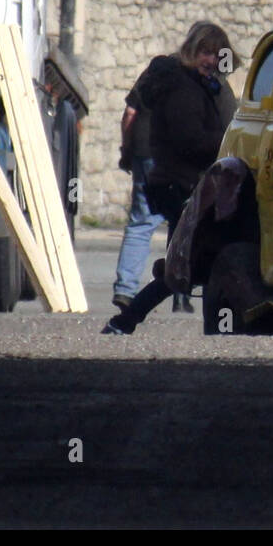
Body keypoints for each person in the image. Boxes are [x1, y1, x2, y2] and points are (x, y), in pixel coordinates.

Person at [102, 22, 238, 334]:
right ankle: (127, 320)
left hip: (177, 183)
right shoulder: (184, 88)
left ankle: (128, 319)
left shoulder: (194, 83)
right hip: (181, 185)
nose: (212, 61)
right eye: (206, 53)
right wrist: (230, 141)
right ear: (192, 51)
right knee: (191, 260)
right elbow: (189, 140)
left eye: (218, 55)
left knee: (189, 260)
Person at [110, 71, 165, 311]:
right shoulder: (198, 79)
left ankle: (125, 289)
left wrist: (126, 150)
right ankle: (179, 288)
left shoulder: (153, 75)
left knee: (140, 223)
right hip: (177, 156)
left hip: (145, 154)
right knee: (183, 220)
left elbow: (130, 114)